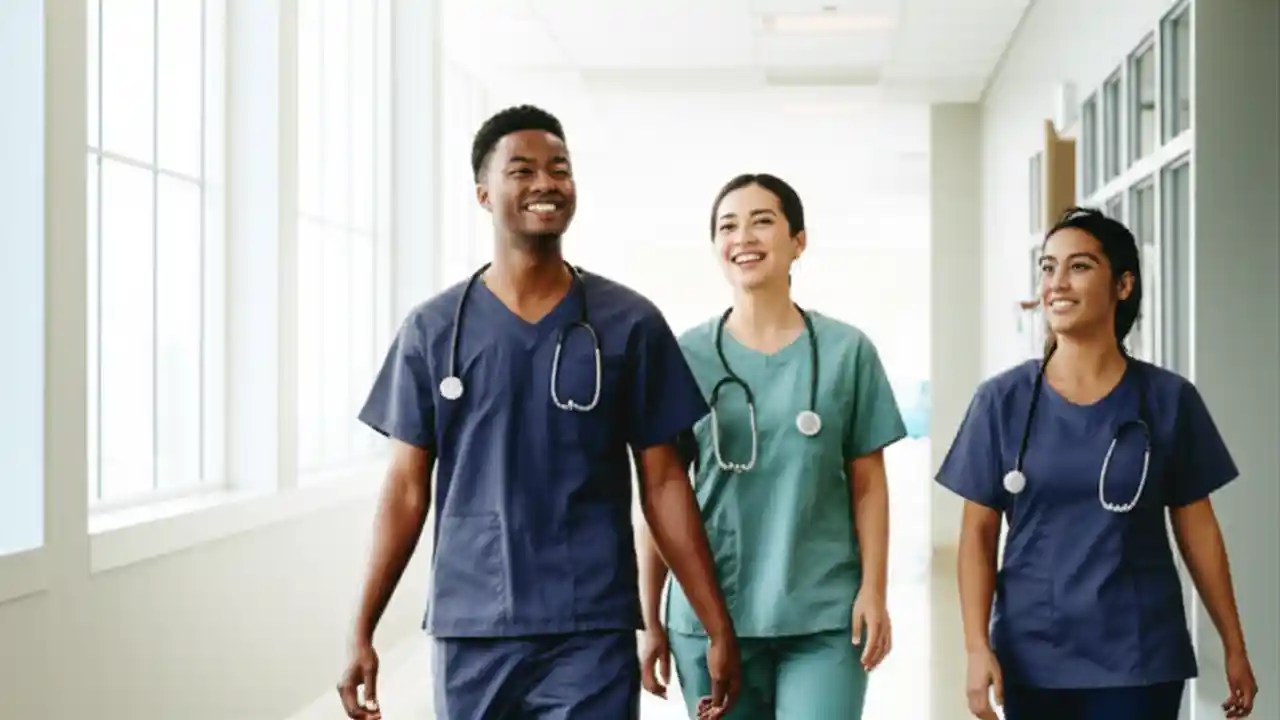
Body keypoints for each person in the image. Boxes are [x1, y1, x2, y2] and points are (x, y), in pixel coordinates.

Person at [335, 105, 741, 720]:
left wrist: (715, 624)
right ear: (483, 193)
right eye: (522, 170)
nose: (545, 183)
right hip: (473, 624)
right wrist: (362, 627)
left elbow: (663, 483)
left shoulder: (628, 323)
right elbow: (406, 490)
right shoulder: (434, 329)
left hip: (591, 625)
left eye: (560, 168)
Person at [936, 207, 1259, 720]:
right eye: (1047, 267)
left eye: (1079, 267)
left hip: (1139, 655)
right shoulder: (1002, 401)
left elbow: (1198, 528)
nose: (1056, 284)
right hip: (1032, 653)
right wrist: (976, 648)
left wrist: (1234, 644)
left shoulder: (1168, 399)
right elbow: (977, 535)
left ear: (1123, 284)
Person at [636, 173, 908, 719]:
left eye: (763, 221)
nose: (744, 237)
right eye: (727, 226)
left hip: (824, 618)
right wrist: (650, 618)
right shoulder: (683, 356)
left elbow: (869, 485)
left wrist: (873, 591)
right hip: (711, 620)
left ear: (798, 243)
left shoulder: (846, 352)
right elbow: (660, 495)